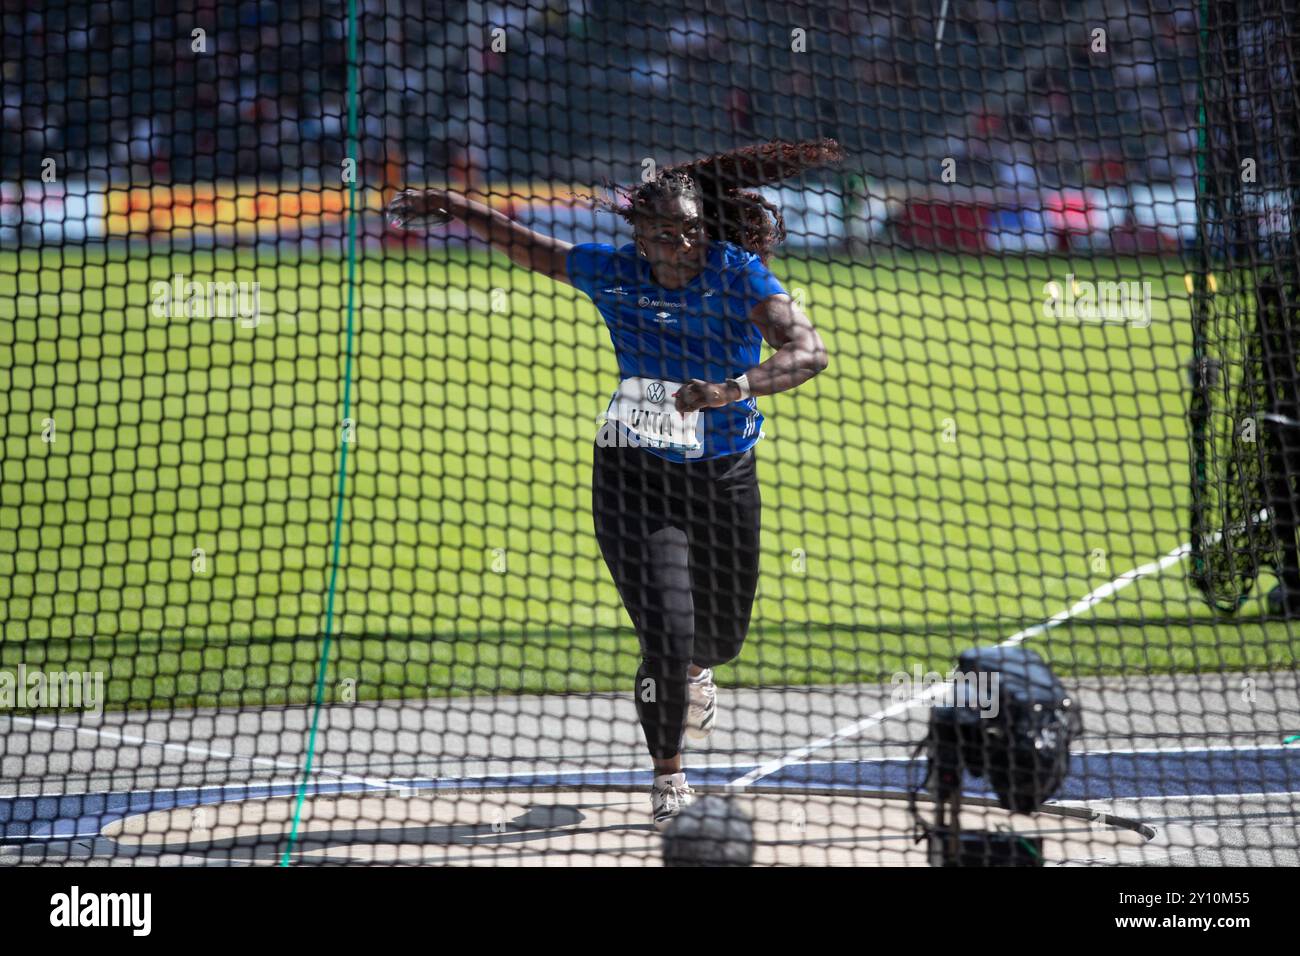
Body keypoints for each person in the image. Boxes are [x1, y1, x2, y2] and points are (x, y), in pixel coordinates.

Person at [389, 138, 839, 827]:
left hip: (724, 472)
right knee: (665, 631)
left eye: (691, 229)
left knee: (718, 640)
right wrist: (455, 206)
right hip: (633, 472)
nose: (680, 244)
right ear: (639, 234)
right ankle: (669, 778)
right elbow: (530, 247)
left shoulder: (737, 272)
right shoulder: (615, 272)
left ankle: (697, 672)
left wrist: (729, 390)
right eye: (664, 233)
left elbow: (808, 351)